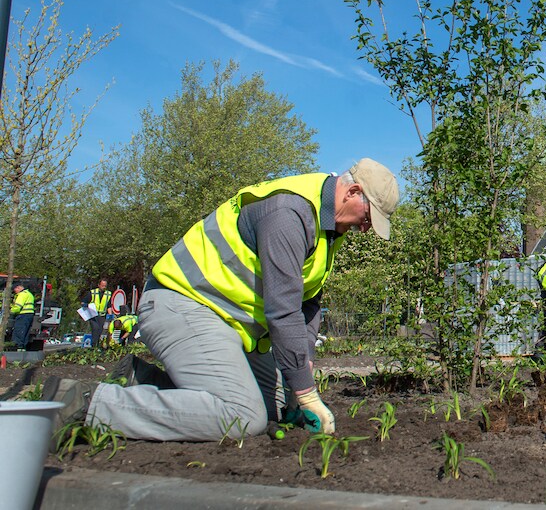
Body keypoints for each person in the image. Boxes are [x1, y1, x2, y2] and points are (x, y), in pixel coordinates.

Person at [41, 158, 398, 442]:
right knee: (243, 417)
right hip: (182, 305)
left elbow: (307, 309)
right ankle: (86, 403)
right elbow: (283, 310)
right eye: (368, 218)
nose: (365, 229)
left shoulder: (326, 231)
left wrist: (297, 385)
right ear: (352, 192)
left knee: (273, 406)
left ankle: (142, 379)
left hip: (227, 323)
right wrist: (307, 393)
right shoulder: (290, 214)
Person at [86, 279, 113, 349]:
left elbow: (109, 305)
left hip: (102, 316)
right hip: (93, 315)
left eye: (105, 286)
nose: (104, 287)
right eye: (102, 285)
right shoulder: (92, 293)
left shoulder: (108, 294)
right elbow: (84, 302)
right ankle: (94, 346)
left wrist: (110, 315)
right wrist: (85, 306)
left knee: (100, 330)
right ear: (99, 285)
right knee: (95, 329)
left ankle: (97, 346)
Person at [9, 283, 36, 351]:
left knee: (19, 331)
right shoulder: (29, 294)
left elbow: (17, 307)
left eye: (15, 290)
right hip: (29, 315)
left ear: (18, 288)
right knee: (25, 332)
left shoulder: (22, 295)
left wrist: (9, 312)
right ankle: (22, 348)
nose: (15, 291)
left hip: (23, 315)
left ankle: (18, 347)